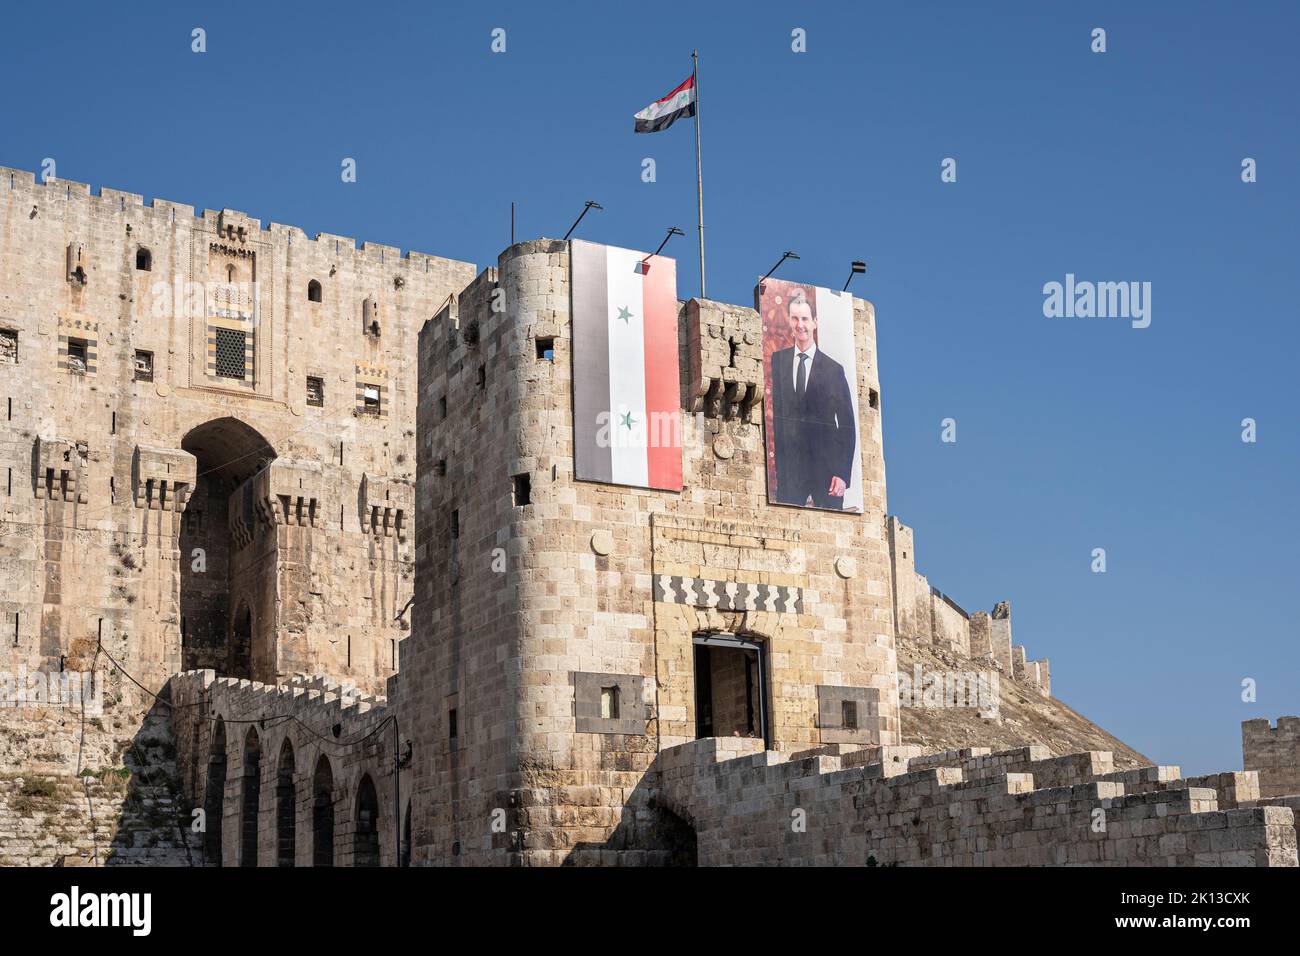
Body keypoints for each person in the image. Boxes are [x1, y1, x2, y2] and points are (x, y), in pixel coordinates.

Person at [769, 288, 856, 509]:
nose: (801, 325)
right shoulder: (778, 361)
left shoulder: (833, 369)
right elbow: (777, 418)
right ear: (789, 321)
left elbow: (846, 425)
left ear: (814, 322)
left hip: (826, 473)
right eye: (796, 318)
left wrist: (842, 473)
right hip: (792, 474)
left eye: (805, 319)